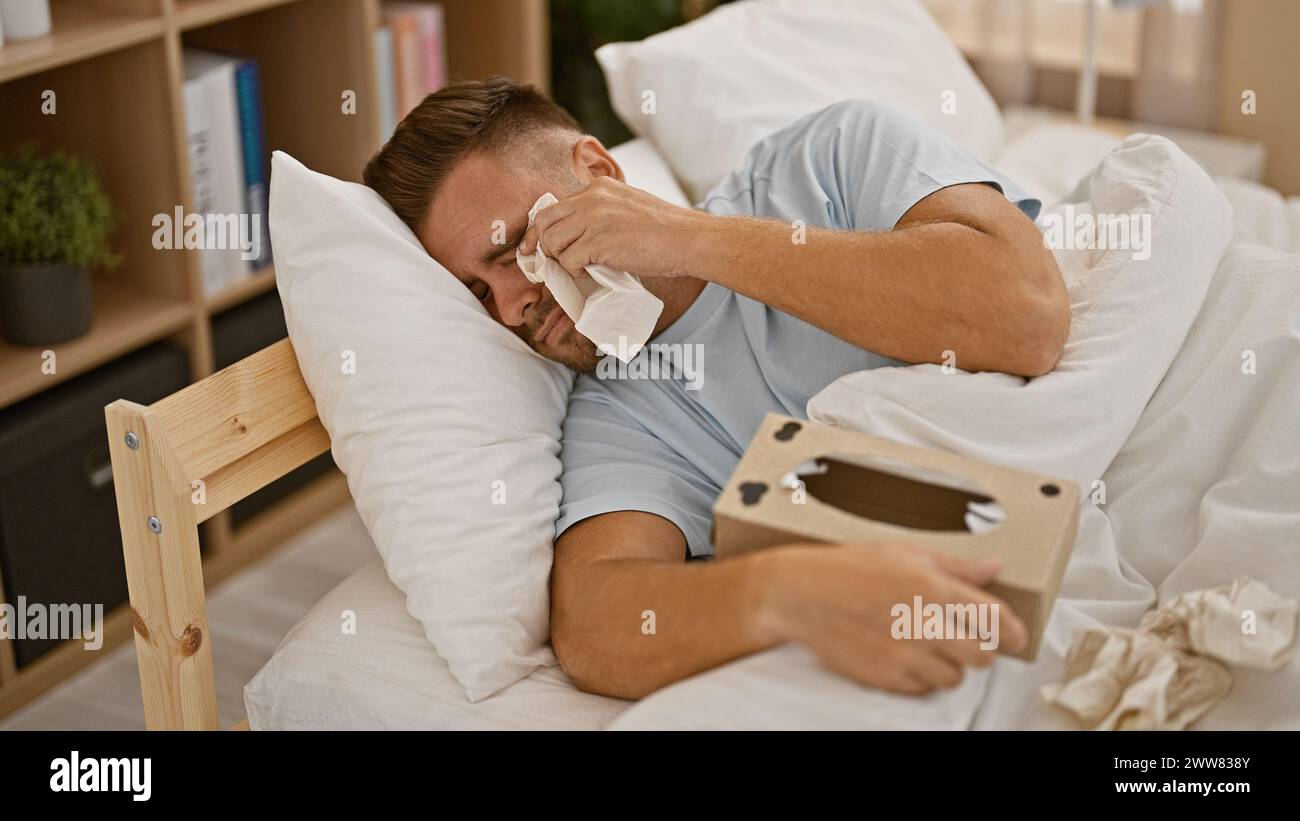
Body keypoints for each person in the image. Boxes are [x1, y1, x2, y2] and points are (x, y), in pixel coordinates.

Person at [364, 78, 1069, 700]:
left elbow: (1028, 317)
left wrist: (692, 242)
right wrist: (790, 594)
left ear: (599, 172)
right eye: (479, 293)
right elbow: (593, 624)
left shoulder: (830, 159)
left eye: (515, 244)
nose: (513, 304)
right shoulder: (621, 414)